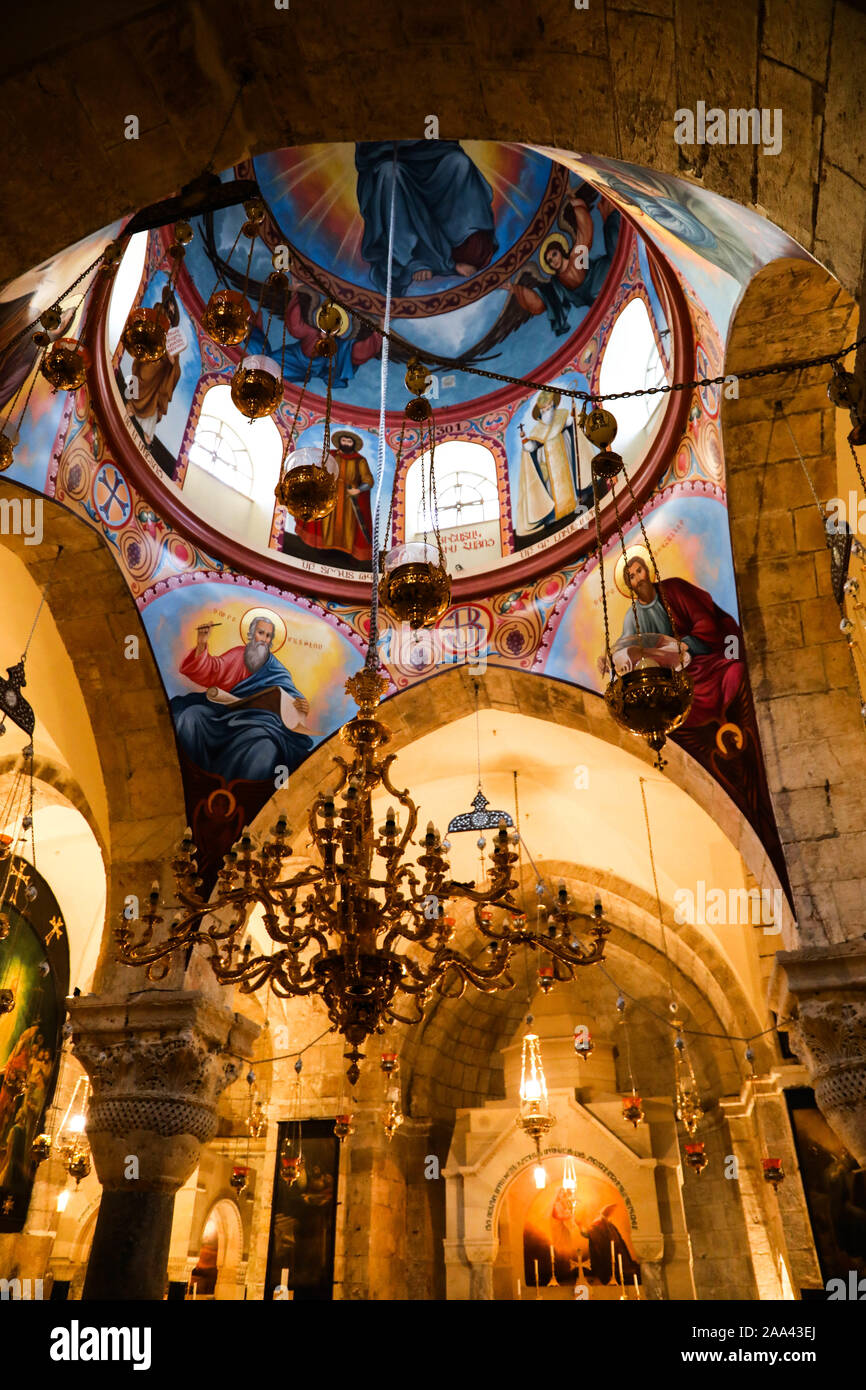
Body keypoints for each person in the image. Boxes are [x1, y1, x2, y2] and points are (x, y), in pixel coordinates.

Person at [604, 554, 746, 729]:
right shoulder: (632, 617)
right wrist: (608, 658)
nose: (638, 579)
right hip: (671, 676)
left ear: (648, 571)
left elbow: (703, 619)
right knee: (670, 709)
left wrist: (686, 645)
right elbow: (626, 645)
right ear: (629, 585)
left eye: (639, 571)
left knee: (735, 671)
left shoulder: (674, 588)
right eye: (632, 577)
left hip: (700, 660)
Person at [170, 615, 313, 783]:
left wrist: (301, 704)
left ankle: (231, 787)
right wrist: (202, 643)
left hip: (257, 722)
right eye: (261, 633)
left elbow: (291, 695)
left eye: (268, 636)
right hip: (222, 715)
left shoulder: (276, 668)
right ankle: (192, 777)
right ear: (251, 634)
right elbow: (211, 669)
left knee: (265, 744)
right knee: (192, 715)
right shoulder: (238, 655)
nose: (264, 640)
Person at [355, 141, 497, 294]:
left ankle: (464, 251)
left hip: (431, 155)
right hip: (389, 157)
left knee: (458, 162)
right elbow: (366, 148)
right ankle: (414, 261)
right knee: (389, 173)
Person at [294, 431, 374, 563]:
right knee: (325, 521)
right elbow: (319, 469)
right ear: (339, 442)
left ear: (353, 444)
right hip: (330, 494)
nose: (346, 444)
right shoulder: (331, 455)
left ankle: (345, 554)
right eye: (344, 441)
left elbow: (368, 480)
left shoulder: (360, 460)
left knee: (347, 526)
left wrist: (359, 490)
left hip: (348, 499)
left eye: (349, 442)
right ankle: (324, 550)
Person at [125, 283, 183, 444]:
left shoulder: (173, 331)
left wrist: (173, 361)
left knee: (155, 396)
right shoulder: (158, 310)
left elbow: (175, 366)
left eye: (173, 308)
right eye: (170, 304)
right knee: (139, 377)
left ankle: (145, 432)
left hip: (161, 368)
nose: (171, 309)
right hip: (150, 355)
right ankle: (130, 405)